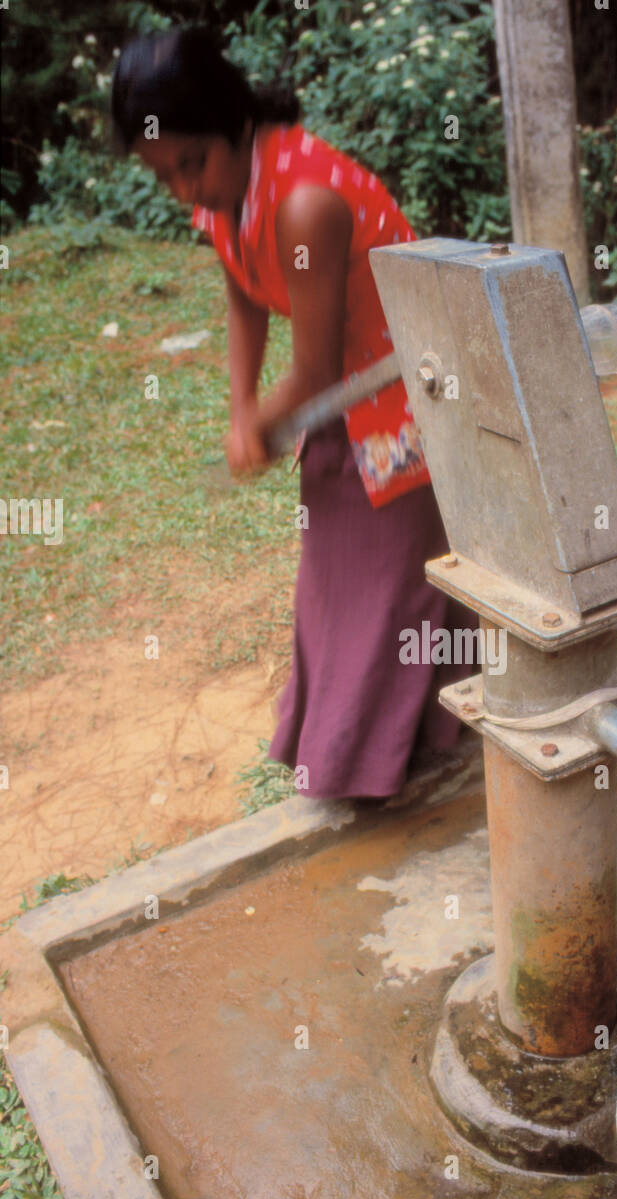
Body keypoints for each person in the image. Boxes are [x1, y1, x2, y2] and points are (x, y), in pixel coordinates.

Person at [111, 27, 477, 802]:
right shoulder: (228, 186)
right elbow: (243, 287)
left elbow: (310, 368)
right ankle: (385, 748)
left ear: (233, 122)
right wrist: (243, 403)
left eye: (190, 165)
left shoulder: (306, 202)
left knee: (387, 586)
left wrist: (262, 425)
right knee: (339, 580)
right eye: (164, 176)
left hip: (409, 396)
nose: (183, 191)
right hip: (341, 404)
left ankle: (378, 763)